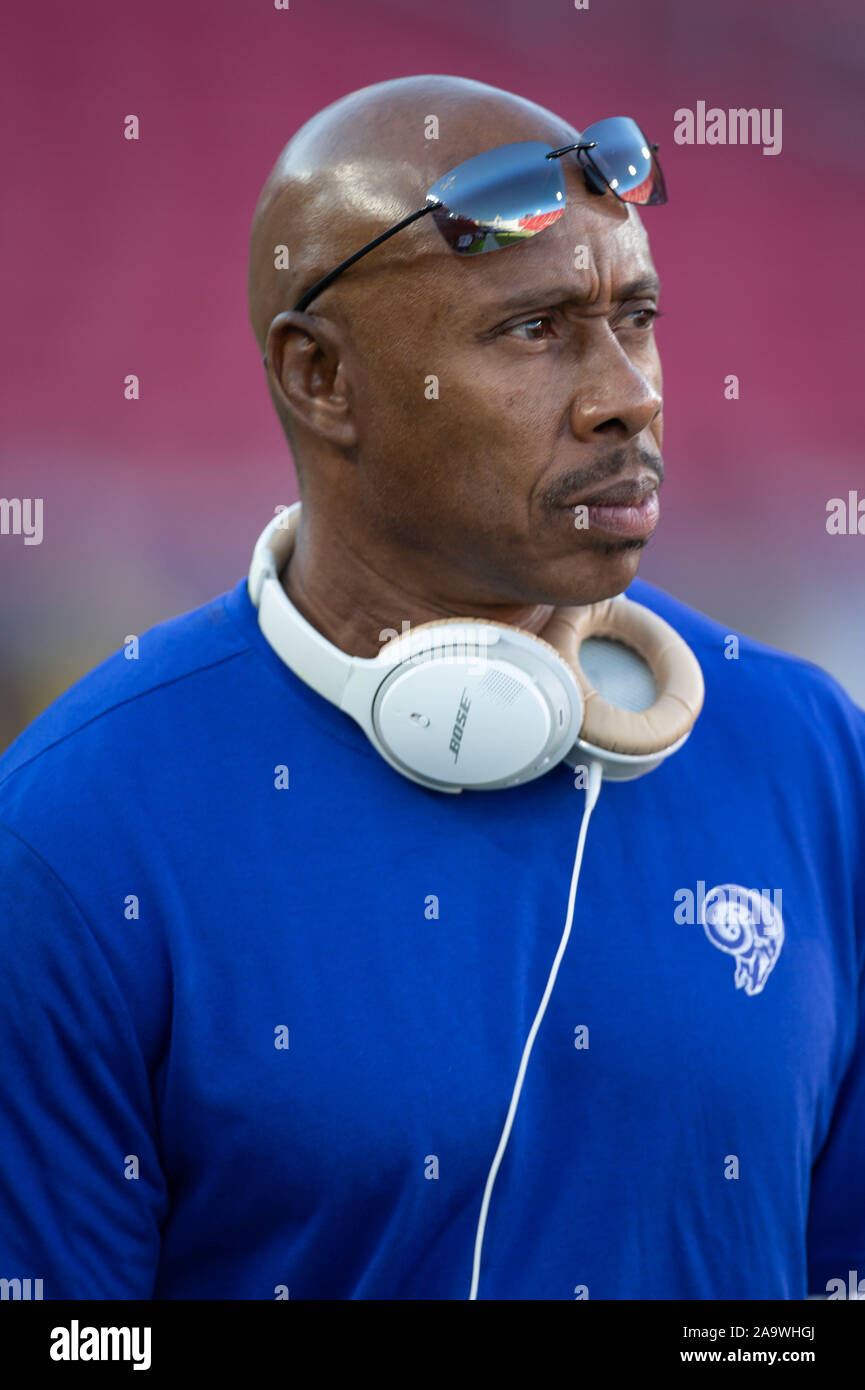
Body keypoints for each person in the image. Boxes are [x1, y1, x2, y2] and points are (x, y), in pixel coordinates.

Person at [0, 74, 862, 1302]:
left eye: (639, 315)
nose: (633, 393)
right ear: (321, 380)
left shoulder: (811, 754)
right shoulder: (74, 841)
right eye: (537, 329)